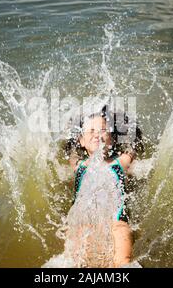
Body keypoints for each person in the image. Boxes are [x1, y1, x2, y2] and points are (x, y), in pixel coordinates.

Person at [65, 106, 141, 267]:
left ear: (112, 139)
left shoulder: (118, 163)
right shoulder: (79, 166)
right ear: (81, 141)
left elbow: (133, 149)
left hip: (116, 222)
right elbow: (70, 152)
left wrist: (127, 126)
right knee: (72, 260)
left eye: (103, 130)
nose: (96, 134)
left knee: (122, 262)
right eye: (91, 130)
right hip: (83, 224)